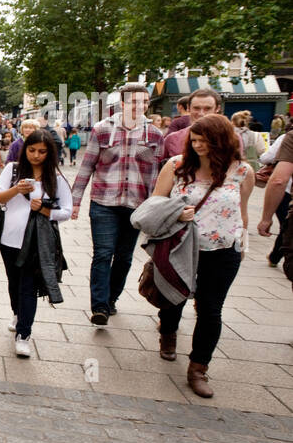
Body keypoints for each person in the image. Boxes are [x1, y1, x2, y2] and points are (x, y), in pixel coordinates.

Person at [149, 114, 252, 397]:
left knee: (210, 309)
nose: (197, 145)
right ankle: (168, 333)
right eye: (193, 140)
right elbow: (155, 204)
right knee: (174, 297)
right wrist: (176, 213)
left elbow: (242, 212)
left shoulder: (241, 171)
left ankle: (198, 368)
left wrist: (241, 245)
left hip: (223, 250)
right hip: (181, 246)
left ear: (221, 140)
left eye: (203, 140)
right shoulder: (176, 166)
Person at [70, 83, 165, 325]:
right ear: (122, 103)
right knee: (103, 254)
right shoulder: (102, 130)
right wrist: (75, 201)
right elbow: (87, 165)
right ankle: (99, 306)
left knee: (124, 257)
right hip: (104, 202)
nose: (140, 106)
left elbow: (155, 175)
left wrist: (156, 208)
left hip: (136, 205)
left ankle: (111, 298)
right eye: (134, 102)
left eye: (144, 102)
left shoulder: (154, 134)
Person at [0, 130, 72, 358]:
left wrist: (45, 210)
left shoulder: (56, 178)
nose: (36, 155)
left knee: (28, 287)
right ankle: (18, 313)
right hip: (9, 238)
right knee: (14, 283)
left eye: (42, 152)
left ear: (50, 153)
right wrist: (16, 190)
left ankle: (24, 334)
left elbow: (67, 210)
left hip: (38, 242)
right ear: (25, 150)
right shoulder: (13, 170)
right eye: (32, 150)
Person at [257, 131, 292, 268]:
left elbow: (279, 180)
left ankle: (275, 256)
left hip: (287, 193)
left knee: (287, 225)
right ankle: (275, 256)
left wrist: (266, 218)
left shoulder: (288, 137)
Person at [162, 88, 222, 161]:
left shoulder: (231, 139)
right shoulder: (172, 139)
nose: (201, 113)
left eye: (207, 108)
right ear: (188, 108)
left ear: (217, 109)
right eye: (196, 108)